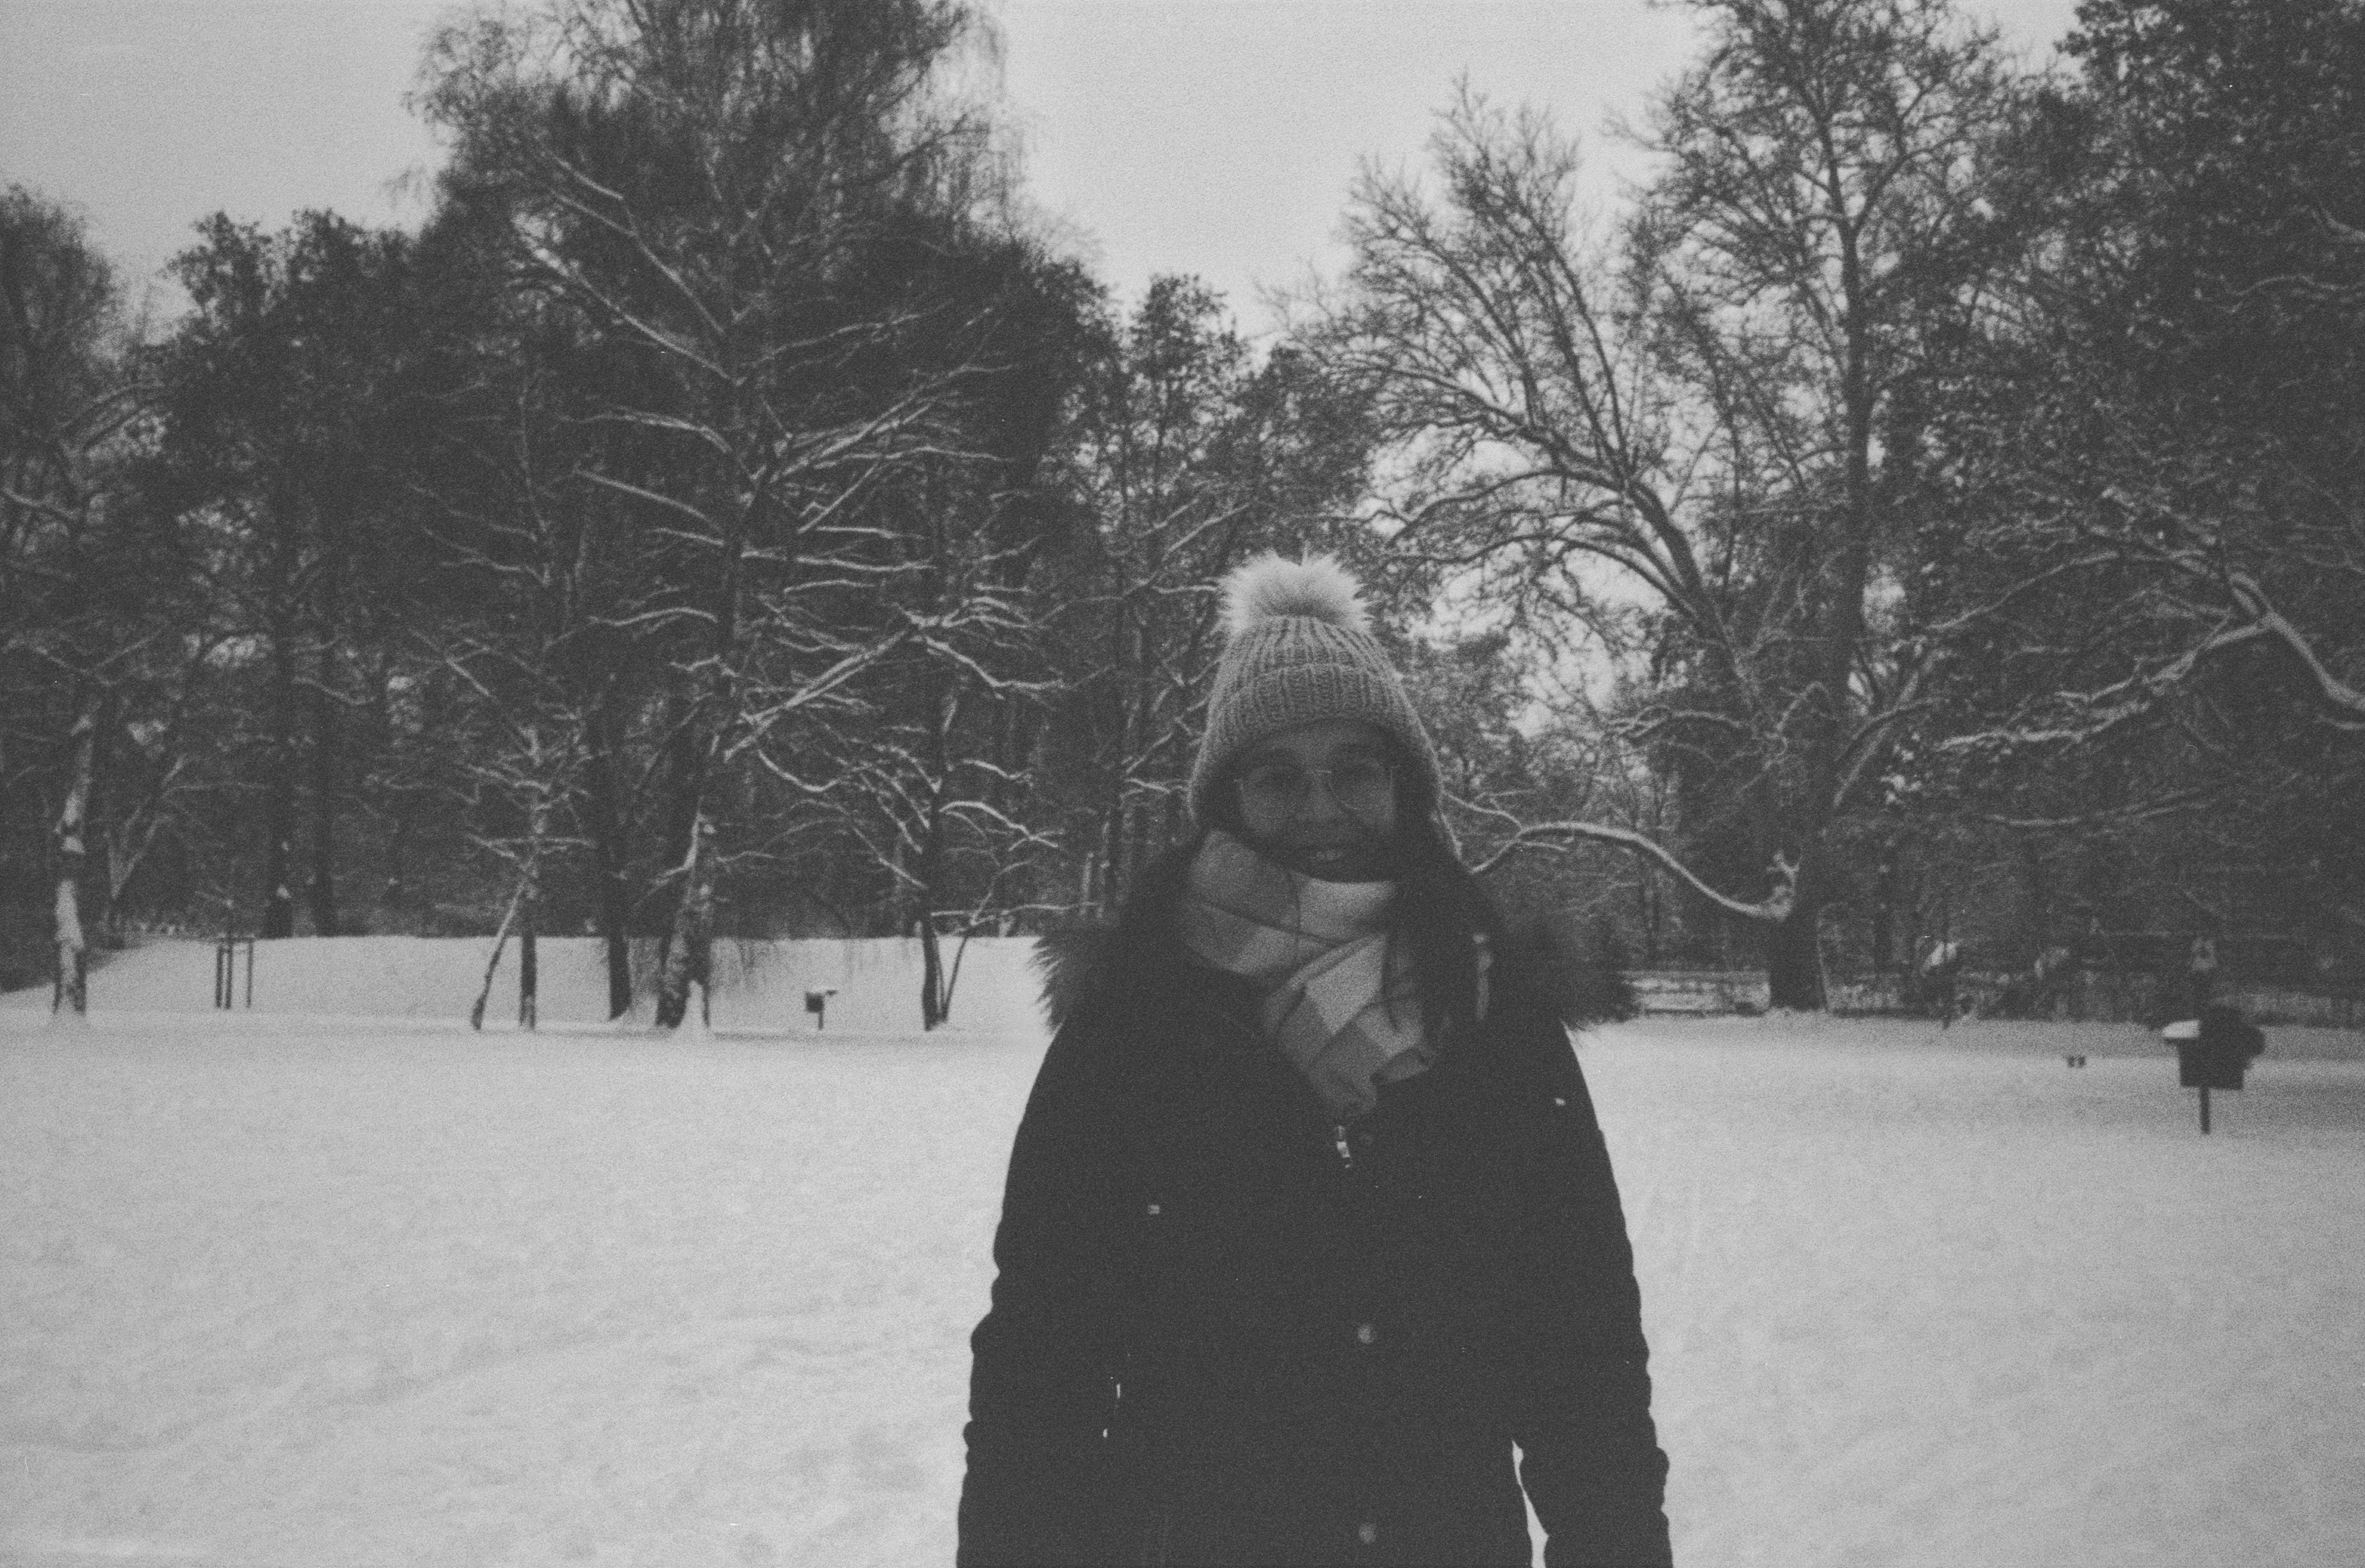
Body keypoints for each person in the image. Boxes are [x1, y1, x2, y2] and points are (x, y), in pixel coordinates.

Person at [958, 555, 1671, 1567]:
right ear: (1228, 799)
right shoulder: (1135, 1023)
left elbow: (1581, 1348)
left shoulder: (1495, 1020)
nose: (1320, 804)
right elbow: (1041, 1357)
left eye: (1353, 768)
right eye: (1278, 775)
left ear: (1402, 787)